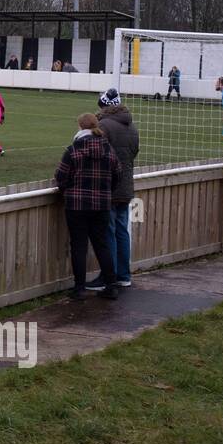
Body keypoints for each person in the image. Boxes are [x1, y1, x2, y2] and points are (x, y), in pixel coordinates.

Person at [55, 114, 123, 299]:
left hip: (76, 205)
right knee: (102, 244)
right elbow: (118, 173)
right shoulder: (108, 150)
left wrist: (67, 190)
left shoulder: (73, 150)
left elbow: (61, 176)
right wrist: (106, 190)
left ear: (80, 127)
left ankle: (79, 288)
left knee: (79, 246)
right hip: (101, 204)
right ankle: (111, 285)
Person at [91, 88, 139, 291]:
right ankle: (123, 275)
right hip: (126, 184)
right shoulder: (132, 126)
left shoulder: (103, 125)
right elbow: (134, 152)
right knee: (121, 230)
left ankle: (108, 276)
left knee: (107, 232)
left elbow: (97, 154)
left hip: (108, 186)